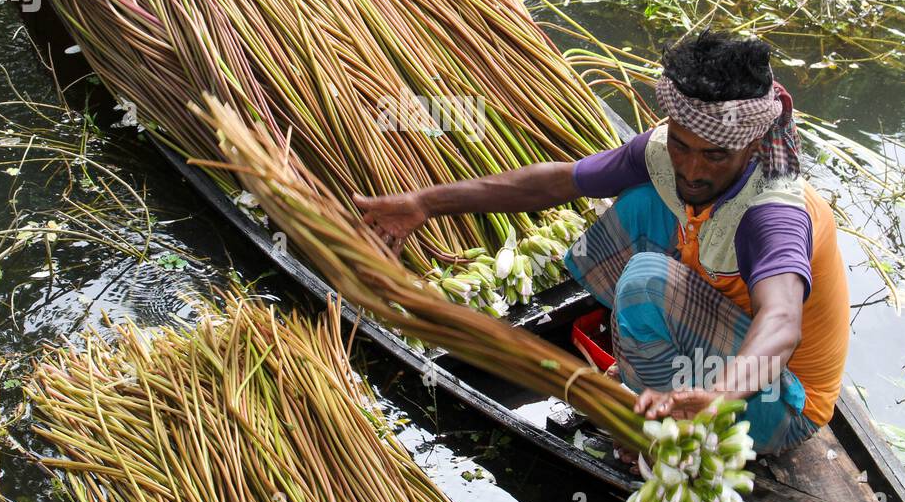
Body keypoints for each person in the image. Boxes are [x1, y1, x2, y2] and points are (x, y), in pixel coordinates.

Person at [355, 31, 850, 455]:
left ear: (751, 143)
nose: (694, 170)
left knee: (646, 283)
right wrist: (424, 202)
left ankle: (659, 428)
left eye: (716, 156)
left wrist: (719, 395)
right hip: (726, 351)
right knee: (640, 203)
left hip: (777, 403)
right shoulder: (663, 155)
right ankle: (650, 371)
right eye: (682, 145)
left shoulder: (774, 213)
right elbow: (556, 183)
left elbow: (782, 322)